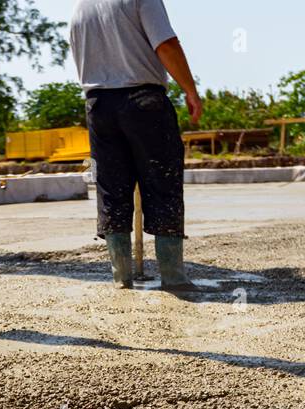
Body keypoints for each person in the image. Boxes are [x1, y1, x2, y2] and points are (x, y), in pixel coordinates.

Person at [70, 0, 202, 290]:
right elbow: (166, 44)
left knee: (111, 189)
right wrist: (190, 89)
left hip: (98, 106)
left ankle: (121, 277)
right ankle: (173, 276)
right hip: (143, 101)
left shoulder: (82, 8)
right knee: (162, 183)